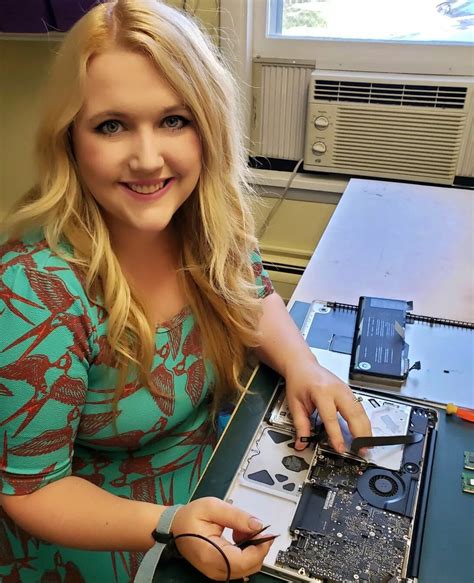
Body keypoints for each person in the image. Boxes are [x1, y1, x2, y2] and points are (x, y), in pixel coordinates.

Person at [0, 1, 372, 581]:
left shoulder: (207, 221)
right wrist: (173, 524)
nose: (148, 159)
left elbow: (254, 297)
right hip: (100, 536)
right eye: (111, 125)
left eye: (174, 120)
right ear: (70, 138)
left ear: (208, 127)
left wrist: (304, 365)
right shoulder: (34, 294)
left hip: (207, 485)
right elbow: (32, 492)